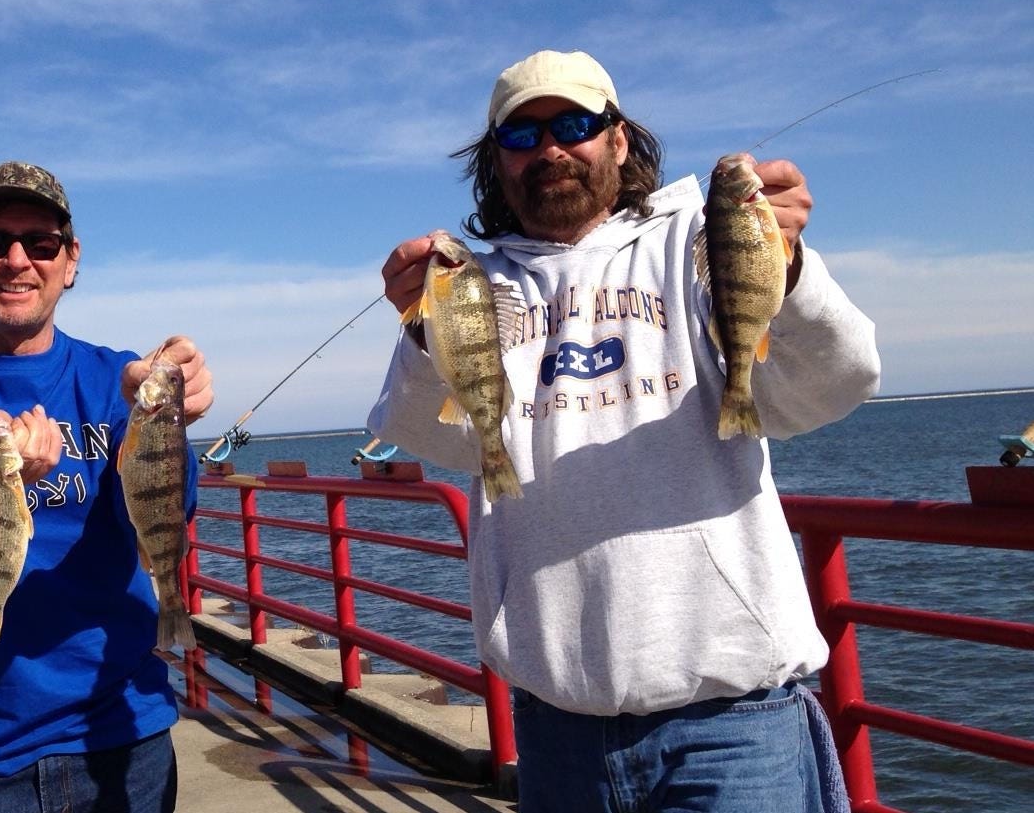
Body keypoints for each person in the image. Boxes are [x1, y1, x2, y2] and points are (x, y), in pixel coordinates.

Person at [368, 50, 879, 812]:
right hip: (555, 727)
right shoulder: (478, 284)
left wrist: (788, 263)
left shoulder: (698, 239)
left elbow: (833, 381)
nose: (549, 149)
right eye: (521, 135)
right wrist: (420, 332)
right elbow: (441, 438)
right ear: (495, 162)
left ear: (617, 140)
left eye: (574, 125)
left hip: (733, 722)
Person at [0, 160, 213, 813]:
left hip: (122, 739)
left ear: (70, 260)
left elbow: (162, 513)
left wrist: (168, 422)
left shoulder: (117, 378)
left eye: (41, 243)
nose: (17, 259)